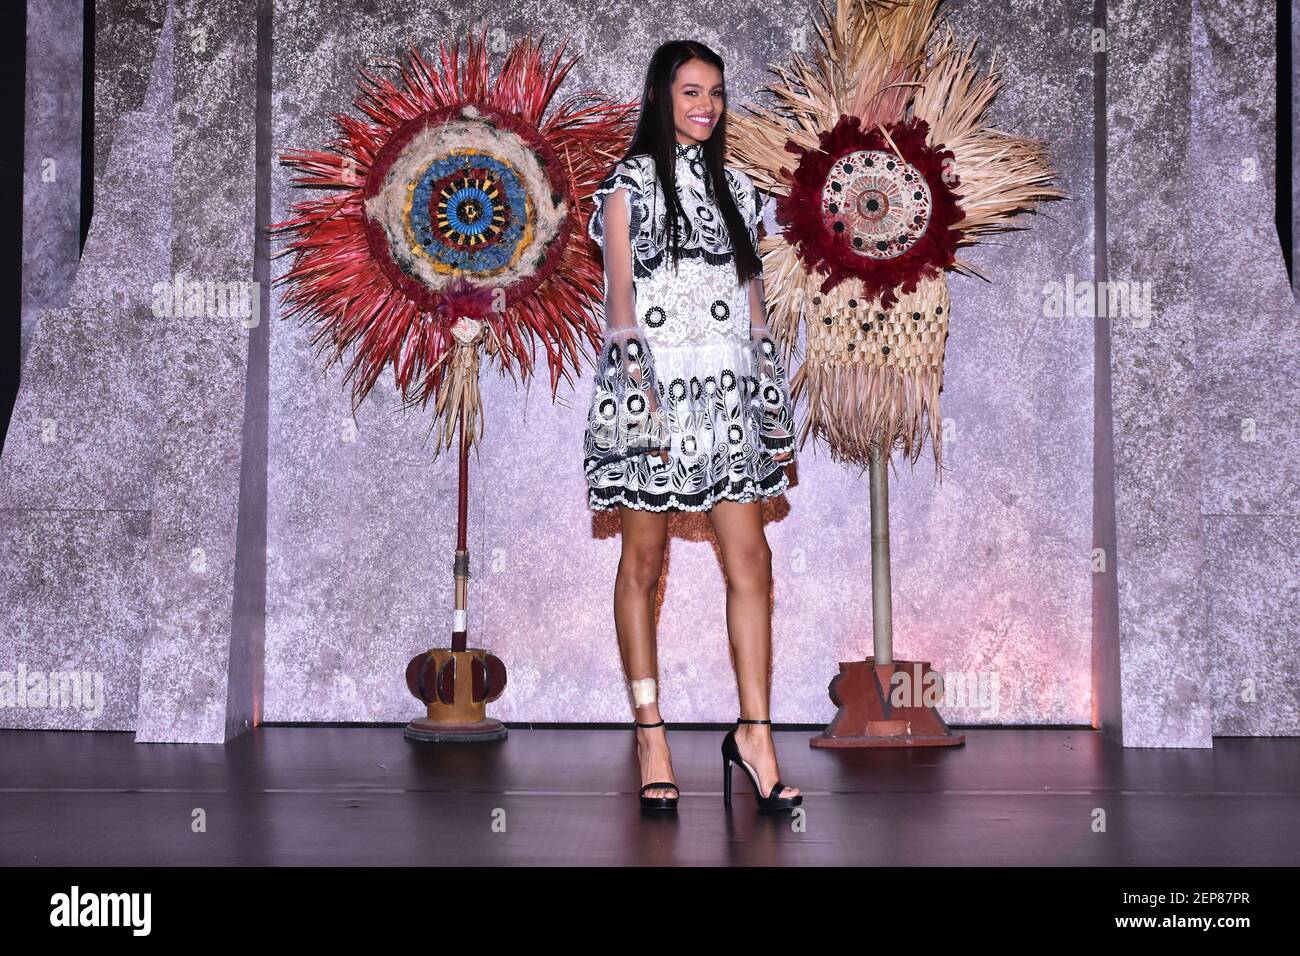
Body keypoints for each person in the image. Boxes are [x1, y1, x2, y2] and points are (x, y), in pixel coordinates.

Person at [582, 40, 802, 812]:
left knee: (753, 562)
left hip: (727, 406)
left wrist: (765, 409)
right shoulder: (626, 188)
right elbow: (618, 313)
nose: (705, 104)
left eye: (713, 91)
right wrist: (644, 414)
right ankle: (651, 733)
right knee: (642, 562)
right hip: (655, 404)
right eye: (689, 91)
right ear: (660, 97)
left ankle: (755, 735)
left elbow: (754, 314)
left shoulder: (740, 192)